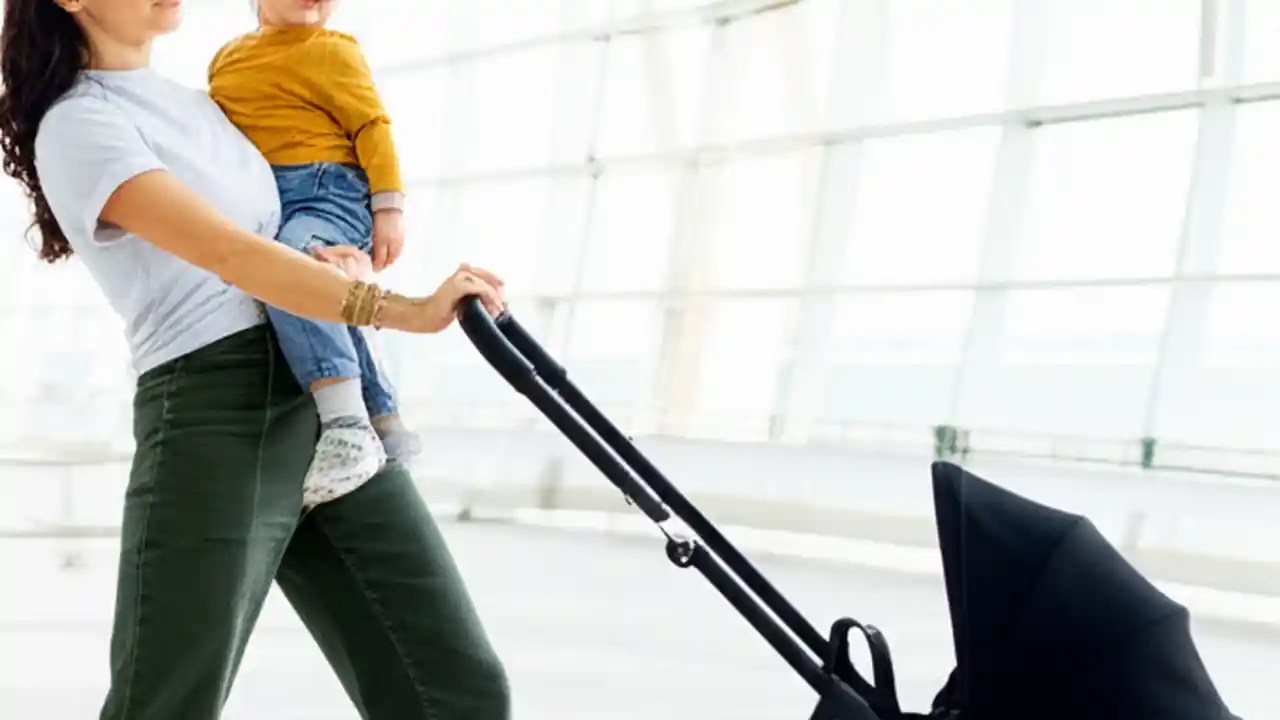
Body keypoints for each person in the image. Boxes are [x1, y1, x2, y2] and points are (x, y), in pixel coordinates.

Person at [0, 0, 511, 718]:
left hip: (323, 397)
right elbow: (231, 254)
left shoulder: (203, 107)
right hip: (217, 411)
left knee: (454, 689)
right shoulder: (80, 125)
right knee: (167, 704)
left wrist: (337, 259)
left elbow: (278, 230)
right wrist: (406, 310)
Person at [209, 0, 417, 509]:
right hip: (267, 197)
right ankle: (384, 419)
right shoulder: (227, 59)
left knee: (293, 269)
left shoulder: (334, 50)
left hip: (330, 194)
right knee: (302, 278)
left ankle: (346, 424)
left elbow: (372, 126)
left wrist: (389, 209)